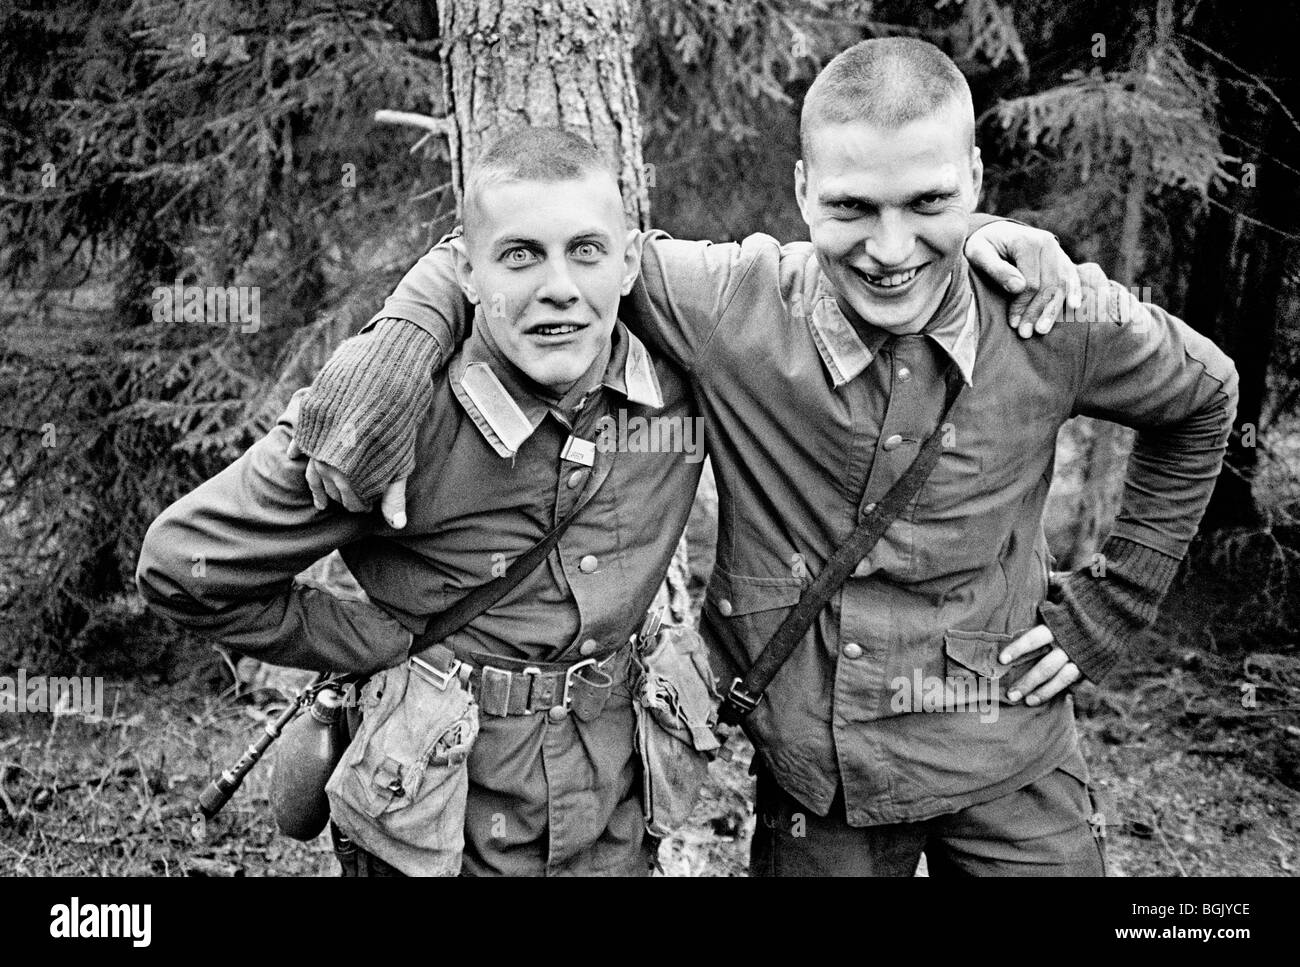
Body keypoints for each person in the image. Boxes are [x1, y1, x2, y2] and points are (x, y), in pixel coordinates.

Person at [293, 38, 1239, 877]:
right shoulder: (735, 307)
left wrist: (1112, 606)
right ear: (799, 193)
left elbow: (1206, 396)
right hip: (820, 789)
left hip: (1014, 767)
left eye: (931, 203)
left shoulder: (1050, 317)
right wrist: (406, 336)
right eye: (852, 207)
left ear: (978, 180)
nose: (891, 247)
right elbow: (544, 253)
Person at [138, 128, 709, 876]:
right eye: (519, 256)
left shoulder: (681, 387)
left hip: (615, 821)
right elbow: (184, 565)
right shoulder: (390, 417)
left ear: (630, 260)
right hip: (435, 826)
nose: (559, 287)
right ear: (466, 273)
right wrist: (364, 640)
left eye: (587, 251)